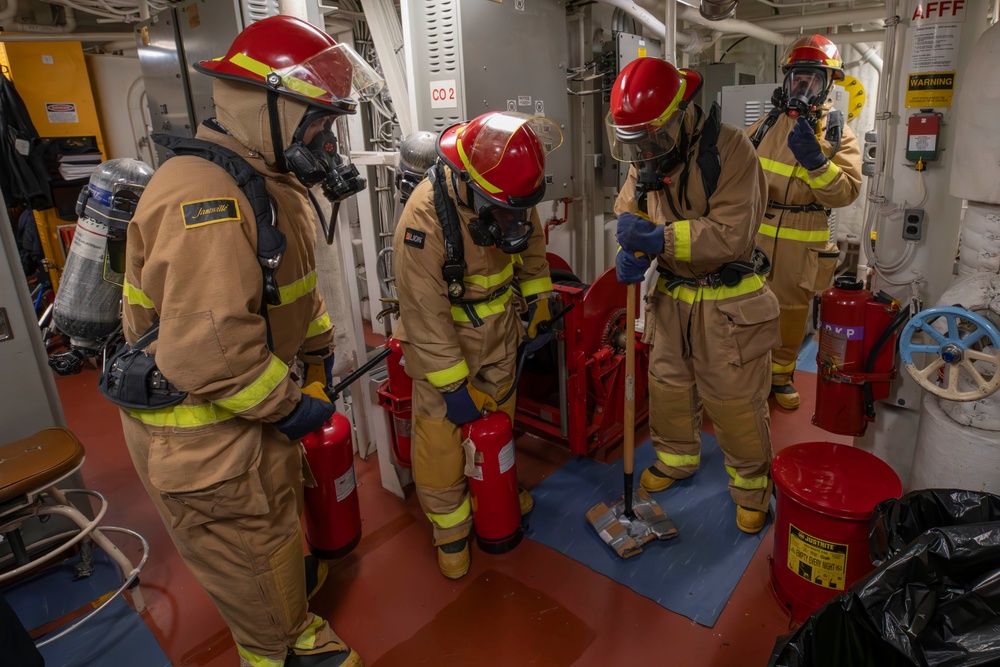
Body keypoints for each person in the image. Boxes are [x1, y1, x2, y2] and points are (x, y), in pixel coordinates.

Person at [117, 15, 379, 667]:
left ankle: (282, 604)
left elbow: (292, 292)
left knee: (267, 538)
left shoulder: (262, 183)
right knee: (249, 554)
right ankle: (282, 649)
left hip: (242, 422)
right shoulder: (204, 198)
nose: (326, 136)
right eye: (316, 118)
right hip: (203, 435)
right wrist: (291, 405)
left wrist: (316, 359)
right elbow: (213, 352)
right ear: (267, 106)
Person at [609, 57, 779, 534]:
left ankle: (750, 485)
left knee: (734, 401)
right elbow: (630, 208)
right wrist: (632, 247)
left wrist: (657, 241)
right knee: (667, 389)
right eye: (636, 142)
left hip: (728, 302)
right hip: (671, 298)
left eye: (652, 138)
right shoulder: (646, 153)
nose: (644, 151)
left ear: (684, 114)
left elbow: (730, 234)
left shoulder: (732, 150)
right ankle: (677, 460)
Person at [392, 111, 561, 578]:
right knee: (442, 439)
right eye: (504, 210)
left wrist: (539, 299)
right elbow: (425, 320)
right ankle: (450, 530)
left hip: (501, 331)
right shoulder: (423, 221)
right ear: (470, 184)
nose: (513, 219)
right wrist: (451, 388)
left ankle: (497, 490)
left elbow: (529, 247)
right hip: (444, 346)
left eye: (519, 208)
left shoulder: (512, 193)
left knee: (499, 424)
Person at [747, 34, 863, 410]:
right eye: (797, 76)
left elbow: (845, 192)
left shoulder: (838, 135)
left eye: (813, 77)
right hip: (756, 235)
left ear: (827, 84)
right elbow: (736, 171)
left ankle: (781, 376)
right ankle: (747, 374)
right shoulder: (765, 125)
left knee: (791, 313)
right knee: (745, 305)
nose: (802, 85)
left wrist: (817, 162)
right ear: (786, 79)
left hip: (803, 243)